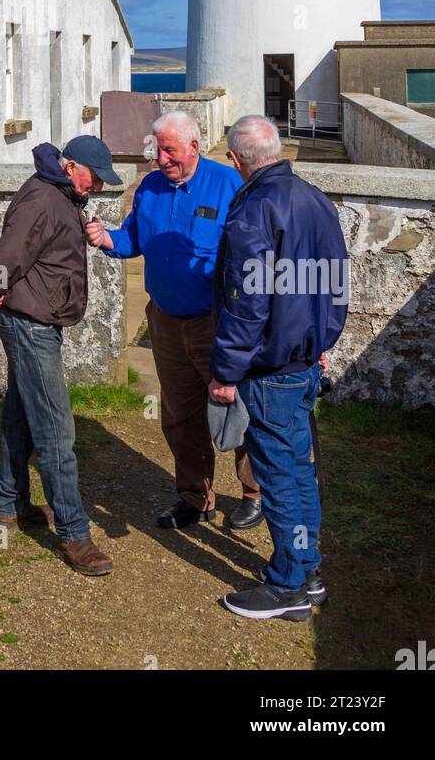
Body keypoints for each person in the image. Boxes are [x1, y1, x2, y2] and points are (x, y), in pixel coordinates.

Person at [87, 110, 261, 529]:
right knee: (180, 415)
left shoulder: (228, 184)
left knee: (237, 408)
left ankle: (255, 492)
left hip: (216, 322)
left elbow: (254, 248)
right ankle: (195, 497)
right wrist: (108, 239)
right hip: (164, 321)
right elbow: (134, 238)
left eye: (170, 150)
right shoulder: (149, 187)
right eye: (158, 149)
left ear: (195, 147)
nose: (161, 158)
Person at [209, 114, 348, 622]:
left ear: (236, 160)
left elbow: (246, 302)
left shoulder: (254, 209)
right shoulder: (314, 199)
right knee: (298, 471)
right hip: (304, 361)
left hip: (270, 370)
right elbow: (335, 280)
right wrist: (320, 340)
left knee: (280, 478)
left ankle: (288, 583)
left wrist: (225, 371)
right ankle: (307, 572)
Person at [0, 135, 123, 576]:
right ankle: (75, 533)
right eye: (94, 177)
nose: (96, 186)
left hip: (37, 321)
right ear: (71, 166)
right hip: (30, 327)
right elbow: (1, 263)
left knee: (20, 416)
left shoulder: (60, 193)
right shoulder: (43, 199)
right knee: (56, 430)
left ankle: (9, 505)